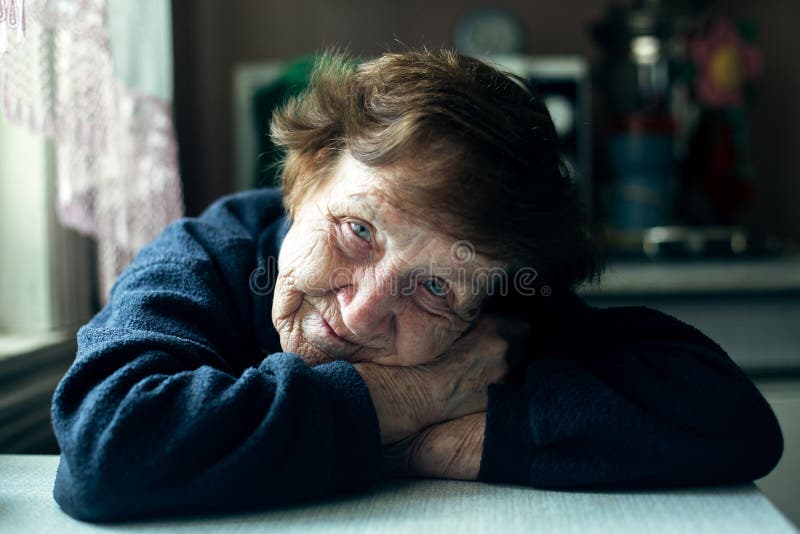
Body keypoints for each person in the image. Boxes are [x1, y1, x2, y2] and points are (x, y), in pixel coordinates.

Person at [51, 50, 783, 522]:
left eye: (434, 287)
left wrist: (430, 450)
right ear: (303, 180)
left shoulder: (499, 317)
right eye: (358, 232)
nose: (365, 313)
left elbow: (732, 420)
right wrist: (410, 400)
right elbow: (105, 449)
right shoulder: (205, 257)